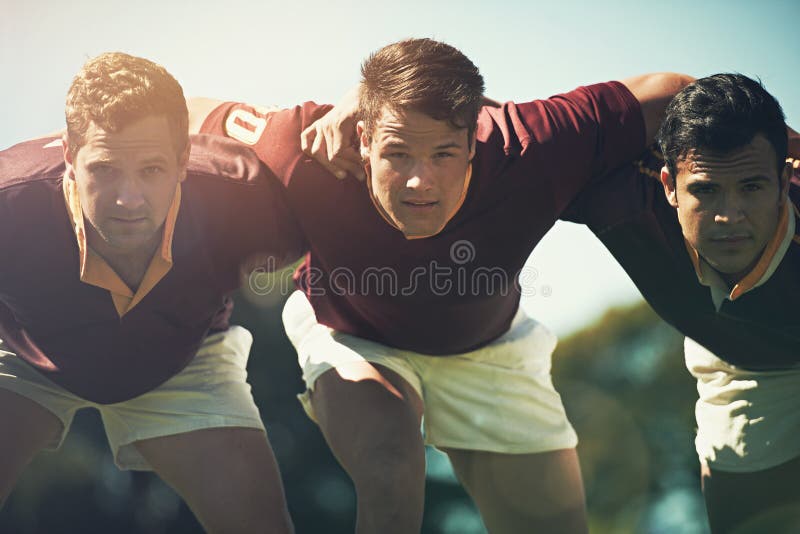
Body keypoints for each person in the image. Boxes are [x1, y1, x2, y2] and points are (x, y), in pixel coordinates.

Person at [191, 38, 692, 533]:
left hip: (491, 350)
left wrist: (773, 156)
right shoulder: (301, 144)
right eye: (398, 153)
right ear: (363, 139)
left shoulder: (537, 143)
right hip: (351, 332)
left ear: (474, 140)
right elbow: (183, 111)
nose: (418, 181)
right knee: (389, 470)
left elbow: (672, 92)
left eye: (443, 154)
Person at [0, 52, 304, 533]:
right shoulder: (7, 200)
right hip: (23, 352)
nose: (129, 199)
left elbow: (352, 225)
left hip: (185, 360)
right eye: (104, 169)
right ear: (68, 156)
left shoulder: (246, 198)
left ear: (184, 159)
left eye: (152, 170)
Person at [562, 73, 800, 532]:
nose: (729, 216)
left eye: (751, 187)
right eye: (705, 190)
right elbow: (504, 140)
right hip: (743, 364)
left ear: (784, 176)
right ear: (669, 184)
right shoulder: (618, 196)